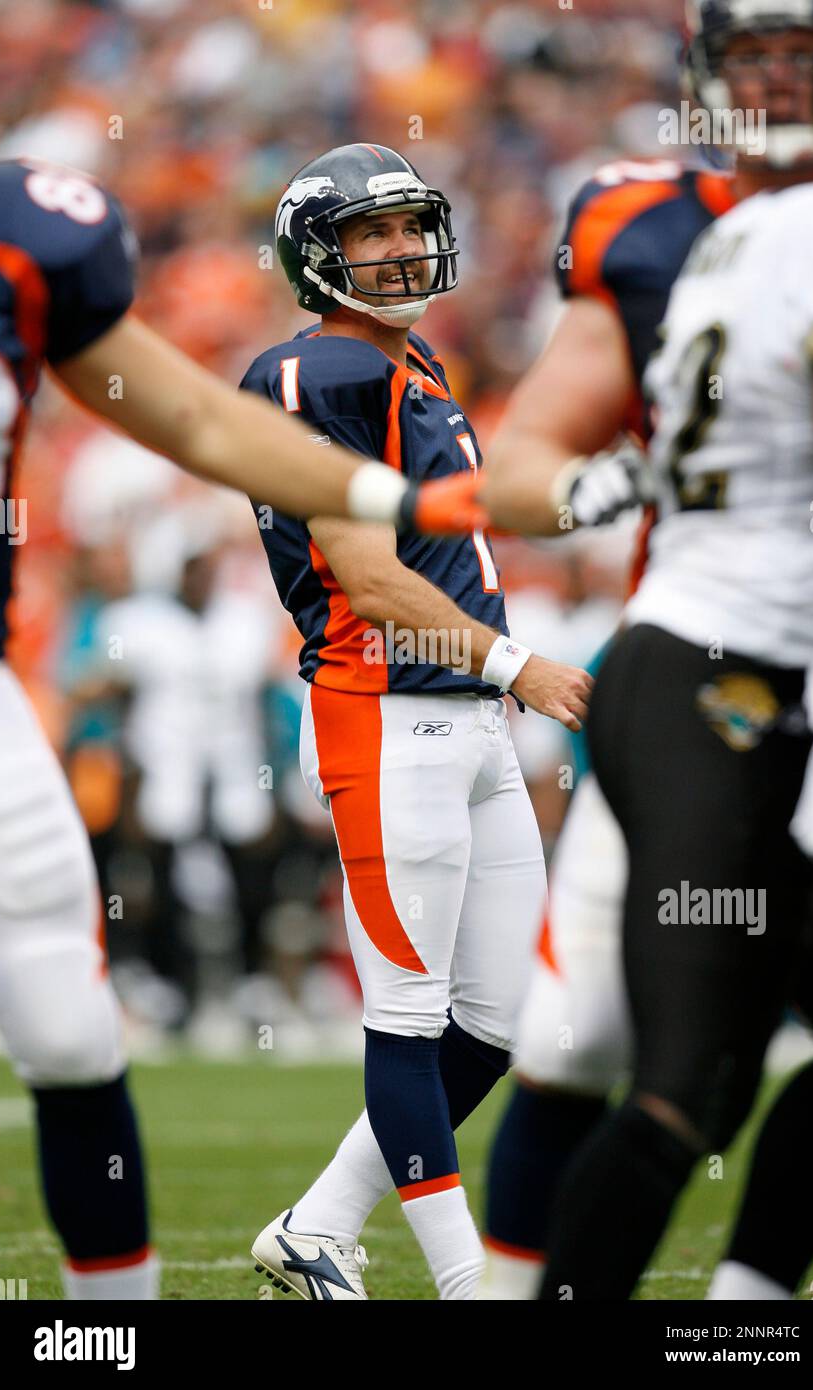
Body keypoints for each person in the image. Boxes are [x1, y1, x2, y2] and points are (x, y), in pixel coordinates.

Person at [0, 155, 479, 1300]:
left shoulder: (23, 229)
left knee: (68, 1026)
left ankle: (115, 1329)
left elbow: (201, 417)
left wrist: (390, 499)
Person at [477, 0, 813, 1299]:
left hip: (793, 679)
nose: (777, 81)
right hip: (719, 671)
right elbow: (524, 457)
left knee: (709, 1056)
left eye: (802, 56)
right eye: (750, 55)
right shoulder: (673, 223)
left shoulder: (759, 229)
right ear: (707, 74)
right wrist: (610, 485)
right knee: (600, 1047)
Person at [239, 142, 591, 1300]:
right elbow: (373, 582)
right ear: (313, 256)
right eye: (366, 234)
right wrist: (518, 661)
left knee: (495, 1023)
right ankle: (465, 1282)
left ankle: (319, 1225)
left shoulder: (415, 363)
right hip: (382, 716)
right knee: (406, 1017)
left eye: (406, 226)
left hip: (469, 722)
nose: (396, 251)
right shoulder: (308, 377)